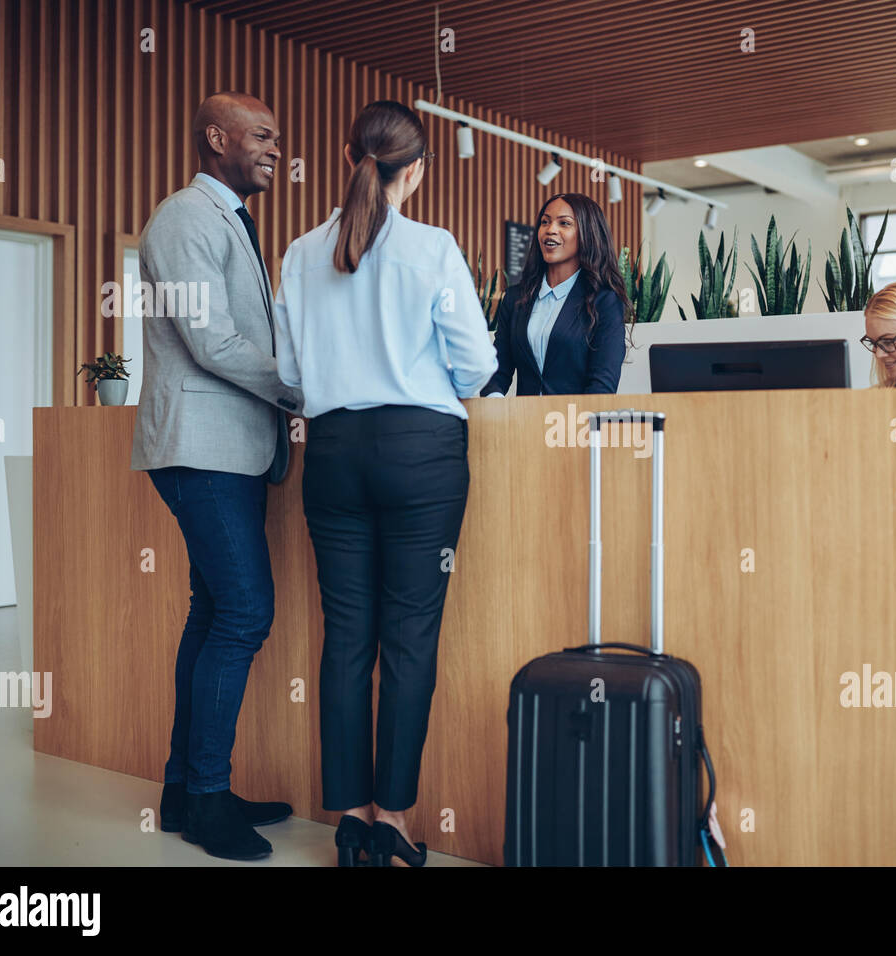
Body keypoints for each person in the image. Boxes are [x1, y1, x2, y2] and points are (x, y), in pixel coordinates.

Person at [272, 100, 497, 867]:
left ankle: (352, 820)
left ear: (347, 154)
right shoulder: (433, 249)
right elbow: (475, 367)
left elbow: (289, 376)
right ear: (419, 171)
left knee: (347, 639)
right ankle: (395, 820)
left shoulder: (301, 253)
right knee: (408, 639)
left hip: (331, 454)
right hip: (421, 455)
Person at [130, 91, 304, 861]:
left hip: (227, 450)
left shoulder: (225, 218)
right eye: (262, 135)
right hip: (200, 451)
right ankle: (205, 800)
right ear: (216, 137)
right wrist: (301, 385)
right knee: (244, 615)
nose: (274, 148)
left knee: (211, 615)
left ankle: (185, 790)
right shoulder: (184, 219)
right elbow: (210, 341)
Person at [480, 192, 629, 396]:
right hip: (521, 423)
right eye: (545, 222)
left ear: (587, 233)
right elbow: (498, 370)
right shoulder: (515, 298)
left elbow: (602, 384)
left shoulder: (605, 301)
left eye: (564, 223)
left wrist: (574, 424)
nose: (550, 230)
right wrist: (495, 403)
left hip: (573, 423)